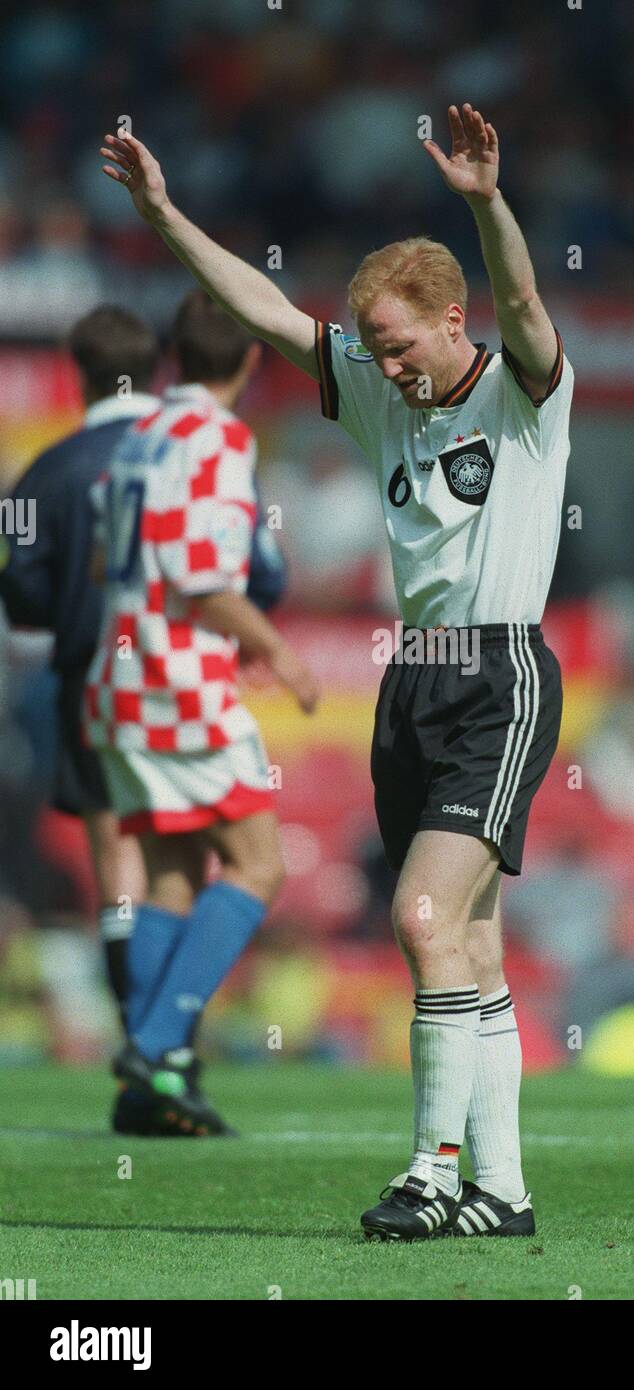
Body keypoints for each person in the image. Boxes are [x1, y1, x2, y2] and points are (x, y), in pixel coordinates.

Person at [100, 102, 572, 1233]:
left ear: (454, 322)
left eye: (405, 346)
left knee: (419, 914)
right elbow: (260, 308)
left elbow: (523, 300)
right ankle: (501, 1195)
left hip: (500, 677)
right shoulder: (376, 389)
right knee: (464, 938)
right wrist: (164, 216)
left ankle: (429, 1171)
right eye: (380, 350)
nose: (392, 368)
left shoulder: (522, 396)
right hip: (412, 681)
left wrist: (487, 203)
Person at [0, 304, 288, 1134]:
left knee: (125, 876)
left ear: (80, 371)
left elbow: (17, 586)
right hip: (181, 680)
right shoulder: (195, 446)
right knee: (204, 868)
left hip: (91, 685)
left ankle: (147, 1063)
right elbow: (256, 571)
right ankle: (159, 1059)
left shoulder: (51, 468)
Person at [84, 289, 319, 1136]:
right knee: (259, 866)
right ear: (253, 359)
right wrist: (282, 655)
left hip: (118, 684)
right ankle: (152, 1042)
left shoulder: (136, 435)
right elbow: (204, 580)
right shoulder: (219, 440)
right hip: (181, 684)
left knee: (176, 873)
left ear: (174, 358)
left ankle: (150, 1087)